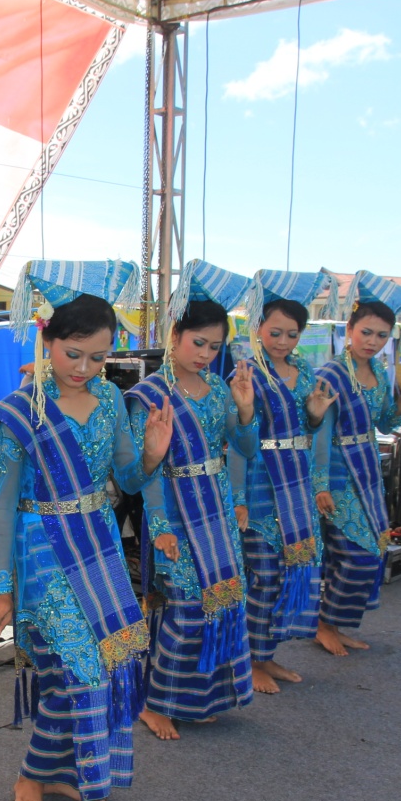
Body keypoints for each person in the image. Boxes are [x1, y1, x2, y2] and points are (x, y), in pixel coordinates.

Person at [0, 259, 172, 801]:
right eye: (73, 353)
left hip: (100, 544)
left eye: (98, 357)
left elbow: (127, 479)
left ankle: (61, 770)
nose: (84, 368)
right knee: (81, 668)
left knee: (102, 665)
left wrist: (153, 455)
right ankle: (32, 773)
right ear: (47, 340)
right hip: (42, 552)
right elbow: (4, 506)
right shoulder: (19, 412)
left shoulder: (112, 401)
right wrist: (4, 588)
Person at [124, 261, 258, 740]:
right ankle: (155, 701)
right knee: (183, 606)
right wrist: (158, 526)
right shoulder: (149, 394)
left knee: (220, 602)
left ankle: (201, 696)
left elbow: (244, 450)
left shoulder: (221, 388)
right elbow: (150, 470)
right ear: (175, 334)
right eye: (197, 342)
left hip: (217, 510)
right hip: (177, 513)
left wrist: (245, 411)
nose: (205, 354)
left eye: (215, 347)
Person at [228, 271, 335, 694]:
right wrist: (237, 498)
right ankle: (250, 660)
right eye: (276, 332)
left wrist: (313, 414)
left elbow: (314, 430)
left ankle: (267, 656)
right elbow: (238, 440)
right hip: (258, 485)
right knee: (263, 576)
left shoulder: (307, 374)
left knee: (293, 570)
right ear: (258, 329)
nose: (284, 342)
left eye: (292, 334)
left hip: (297, 487)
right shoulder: (245, 375)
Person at [312, 276, 401, 657]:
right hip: (340, 476)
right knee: (351, 554)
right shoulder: (330, 375)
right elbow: (320, 434)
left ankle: (334, 623)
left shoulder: (379, 373)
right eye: (367, 332)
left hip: (369, 474)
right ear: (349, 330)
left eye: (382, 335)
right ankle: (323, 623)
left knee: (371, 552)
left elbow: (387, 424)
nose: (373, 341)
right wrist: (320, 485)